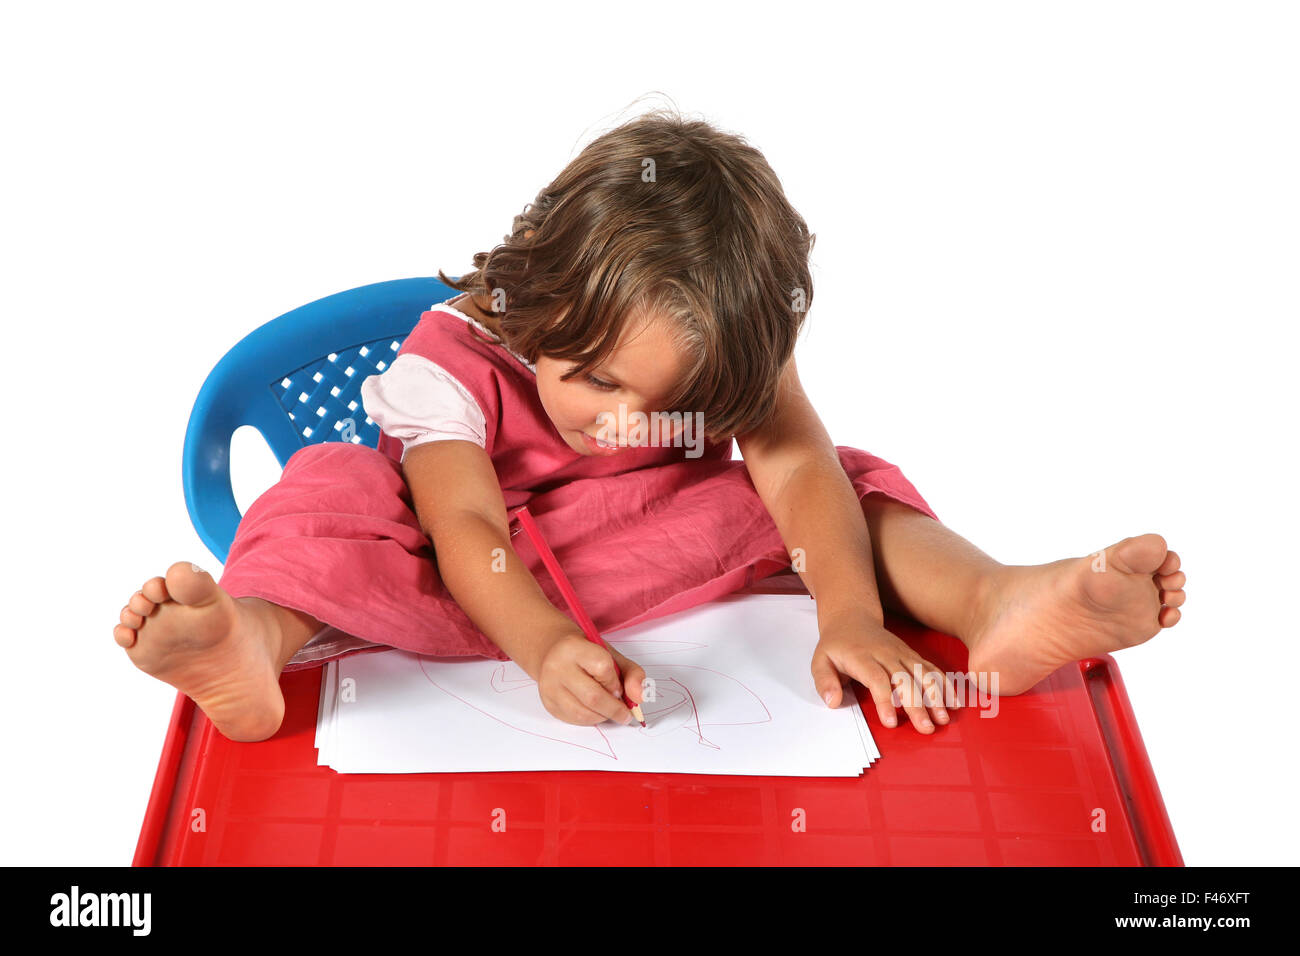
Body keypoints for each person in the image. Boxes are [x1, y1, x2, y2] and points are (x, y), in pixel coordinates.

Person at [113, 108, 1186, 743]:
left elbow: (791, 457)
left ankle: (993, 596)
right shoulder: (449, 358)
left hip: (633, 553)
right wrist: (542, 648)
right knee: (329, 486)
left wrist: (847, 612)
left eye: (662, 401)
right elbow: (465, 518)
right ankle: (250, 641)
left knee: (846, 482)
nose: (621, 420)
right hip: (455, 568)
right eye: (587, 376)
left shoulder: (714, 342)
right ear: (533, 301)